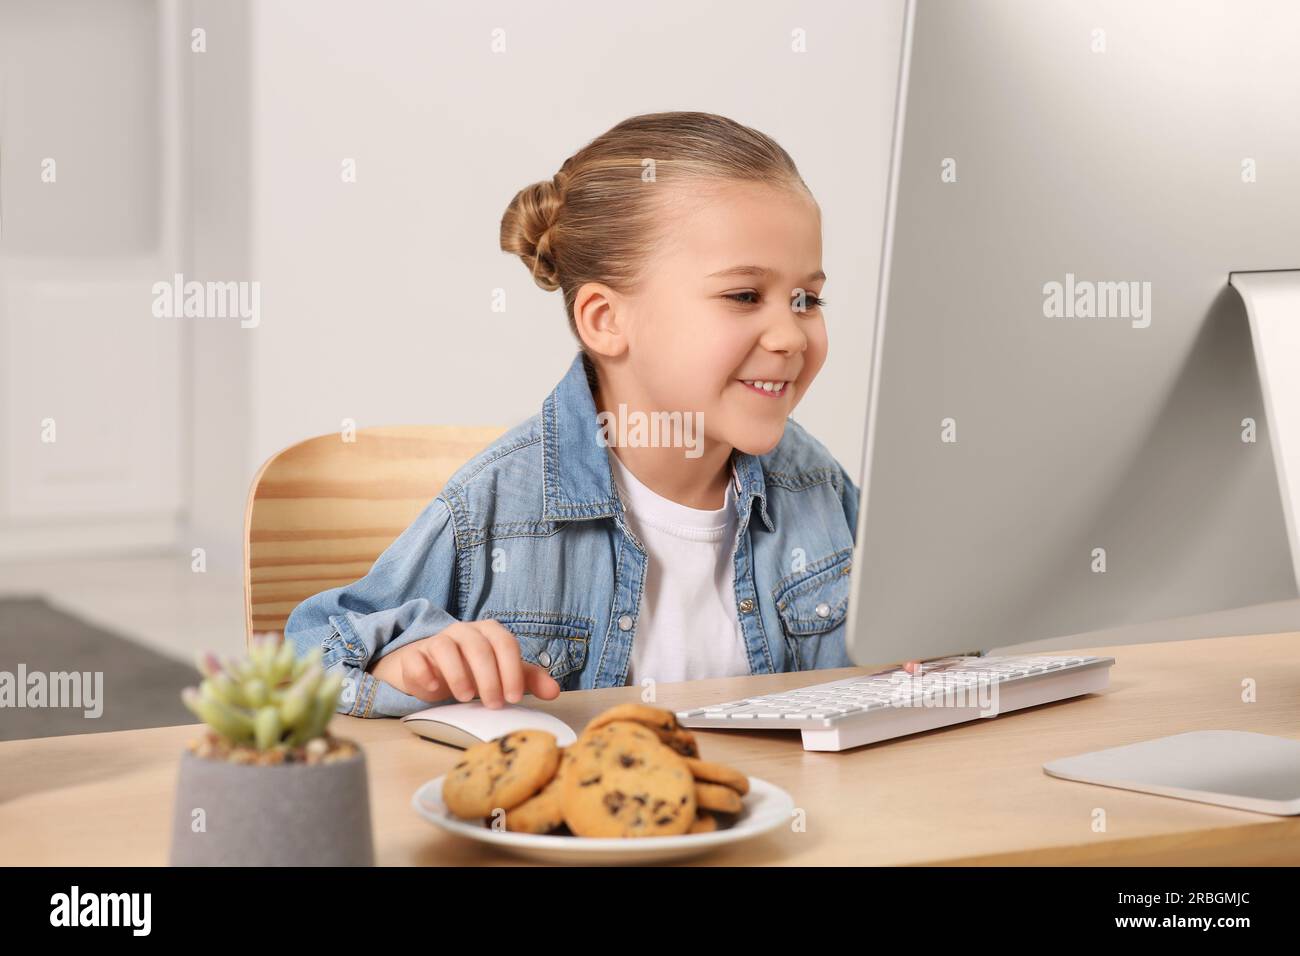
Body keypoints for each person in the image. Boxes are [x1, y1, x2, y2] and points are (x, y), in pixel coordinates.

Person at [285, 111, 911, 719]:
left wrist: (917, 661)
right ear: (605, 321)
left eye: (807, 298)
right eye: (744, 295)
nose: (791, 336)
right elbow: (306, 662)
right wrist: (404, 668)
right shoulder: (495, 509)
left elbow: (903, 640)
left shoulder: (814, 483)